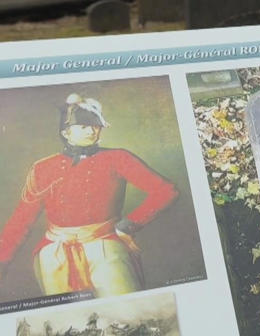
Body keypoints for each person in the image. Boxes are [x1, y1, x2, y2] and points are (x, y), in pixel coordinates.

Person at [0, 94, 178, 297]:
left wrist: (128, 225)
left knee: (126, 309)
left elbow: (166, 191)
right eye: (84, 126)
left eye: (95, 126)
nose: (92, 131)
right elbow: (21, 220)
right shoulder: (42, 168)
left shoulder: (118, 158)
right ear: (66, 132)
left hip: (105, 244)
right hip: (54, 253)